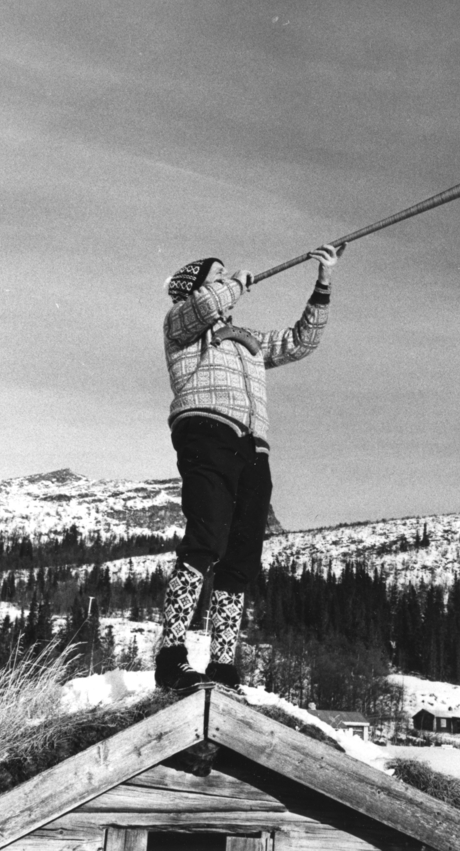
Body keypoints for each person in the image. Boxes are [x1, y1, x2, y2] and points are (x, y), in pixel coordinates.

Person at [156, 244, 342, 691]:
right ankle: (171, 654)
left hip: (253, 448)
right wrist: (235, 281)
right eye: (214, 274)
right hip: (205, 430)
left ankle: (222, 663)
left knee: (241, 557)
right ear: (192, 284)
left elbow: (302, 342)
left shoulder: (247, 341)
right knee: (206, 540)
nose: (223, 280)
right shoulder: (180, 322)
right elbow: (206, 304)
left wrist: (323, 282)